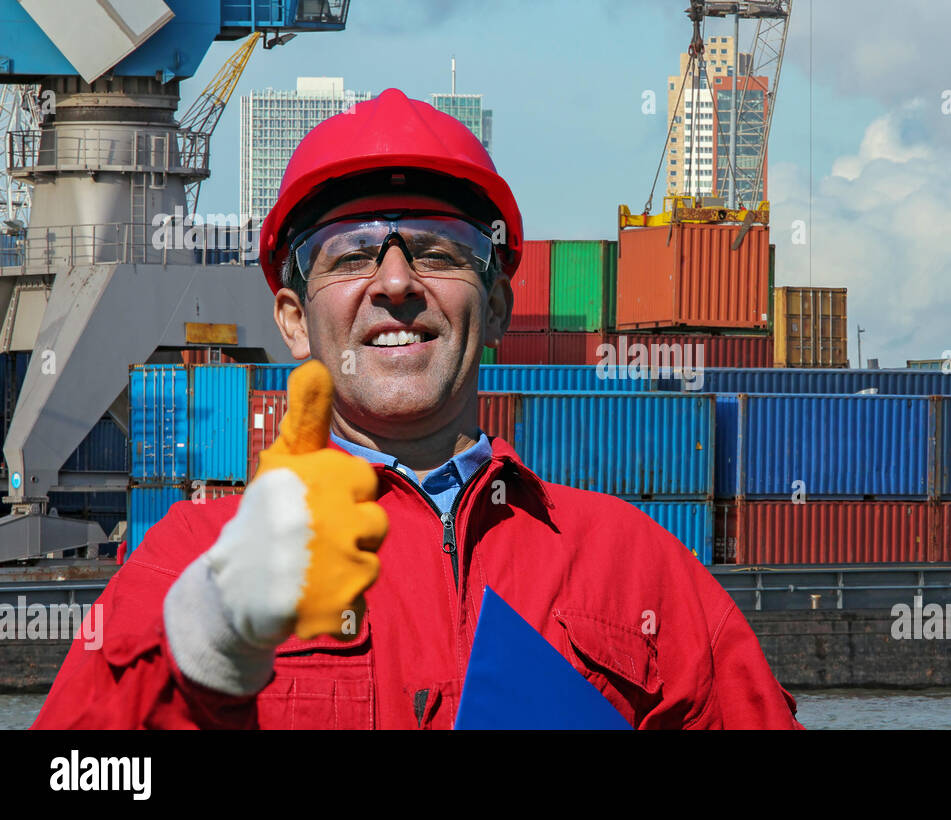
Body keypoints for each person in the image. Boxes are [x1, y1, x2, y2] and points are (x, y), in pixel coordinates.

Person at [31, 89, 801, 730]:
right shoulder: (192, 558)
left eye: (437, 251)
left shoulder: (635, 563)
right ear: (295, 320)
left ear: (495, 307)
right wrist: (210, 639)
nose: (396, 282)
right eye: (353, 253)